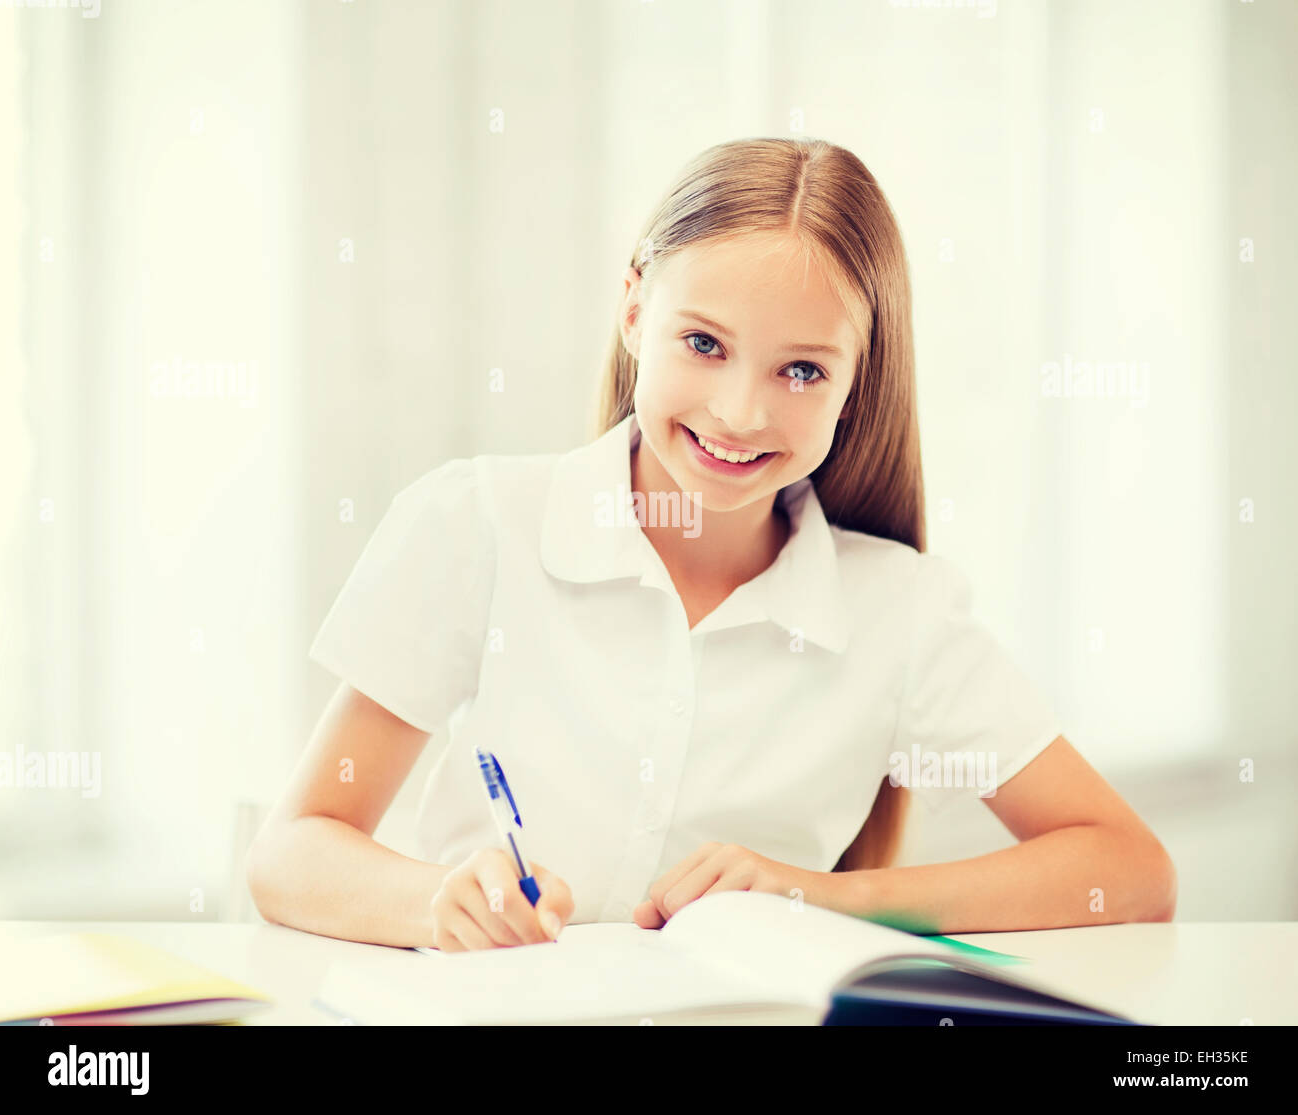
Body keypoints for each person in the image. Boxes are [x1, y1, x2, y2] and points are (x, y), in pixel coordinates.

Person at [247, 137, 1176, 952]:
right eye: (703, 343)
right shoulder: (478, 525)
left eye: (802, 369)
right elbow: (293, 849)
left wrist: (821, 898)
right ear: (634, 311)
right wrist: (431, 902)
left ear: (858, 383)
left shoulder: (900, 611)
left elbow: (1129, 869)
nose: (741, 412)